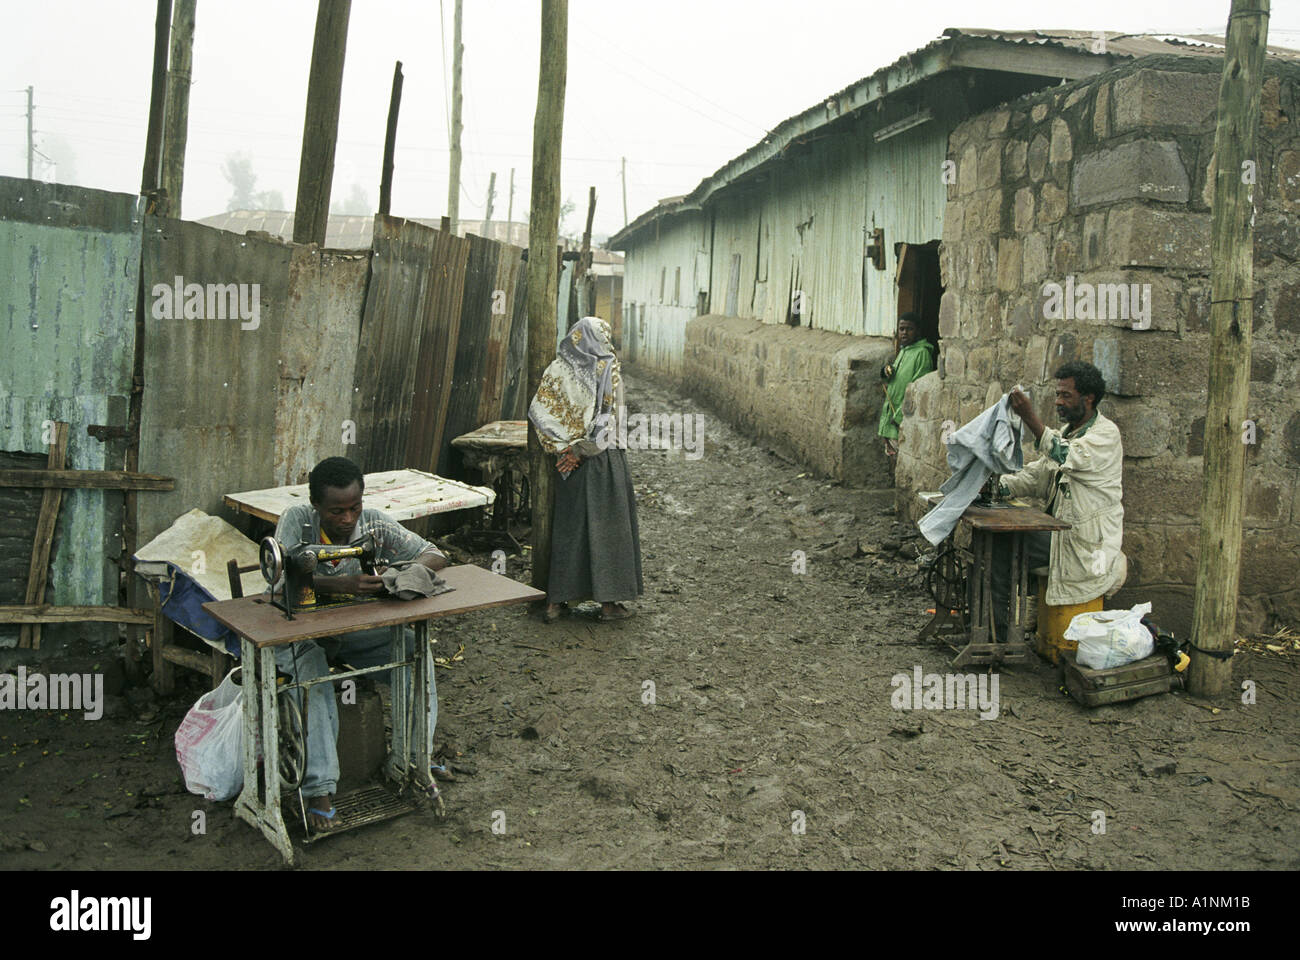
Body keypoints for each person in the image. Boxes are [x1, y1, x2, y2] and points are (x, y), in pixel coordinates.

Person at [271, 456, 448, 832]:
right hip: (298, 631)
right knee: (312, 675)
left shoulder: (374, 524)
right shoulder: (296, 521)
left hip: (353, 632)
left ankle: (413, 756)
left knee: (414, 652)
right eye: (336, 511)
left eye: (354, 508)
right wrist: (340, 584)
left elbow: (434, 553)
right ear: (316, 505)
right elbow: (281, 577)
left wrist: (399, 573)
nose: (348, 519)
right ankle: (318, 789)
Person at [994, 361, 1125, 639]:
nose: (1058, 402)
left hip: (1084, 543)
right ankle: (990, 629)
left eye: (1066, 395)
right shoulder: (1068, 433)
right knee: (991, 540)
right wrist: (997, 487)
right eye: (1057, 395)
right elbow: (1036, 477)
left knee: (1001, 546)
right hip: (1060, 534)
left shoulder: (1105, 435)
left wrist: (1031, 418)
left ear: (1088, 398)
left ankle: (997, 636)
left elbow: (1068, 456)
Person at [529, 316, 643, 623]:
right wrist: (582, 450)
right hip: (603, 462)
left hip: (568, 466)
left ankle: (555, 603)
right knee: (608, 532)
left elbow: (539, 411)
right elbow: (609, 424)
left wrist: (563, 448)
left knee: (570, 531)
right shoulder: (609, 371)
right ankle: (608, 605)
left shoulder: (558, 368)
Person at [878, 312, 938, 456]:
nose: (904, 333)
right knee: (893, 458)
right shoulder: (904, 351)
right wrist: (886, 372)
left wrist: (899, 417)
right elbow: (896, 380)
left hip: (901, 419)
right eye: (901, 329)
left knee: (901, 457)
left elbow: (919, 390)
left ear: (917, 331)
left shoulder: (922, 353)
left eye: (909, 329)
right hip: (890, 417)